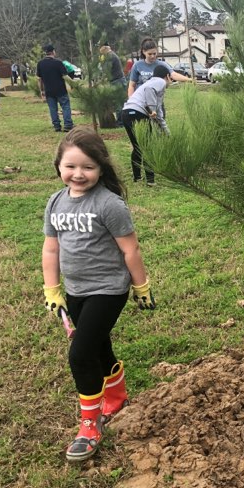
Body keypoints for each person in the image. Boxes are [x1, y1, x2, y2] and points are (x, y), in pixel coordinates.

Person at [41, 127, 156, 462]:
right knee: (99, 344)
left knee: (80, 354)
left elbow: (130, 248)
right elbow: (51, 250)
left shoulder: (109, 204)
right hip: (75, 290)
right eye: (71, 166)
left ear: (101, 169)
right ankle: (116, 397)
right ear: (59, 166)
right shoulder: (55, 202)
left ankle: (89, 424)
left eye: (88, 167)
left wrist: (140, 285)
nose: (79, 174)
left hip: (108, 289)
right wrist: (52, 288)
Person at [121, 65, 172, 186]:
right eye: (171, 78)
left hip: (126, 113)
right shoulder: (159, 82)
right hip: (138, 113)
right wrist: (151, 109)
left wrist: (166, 133)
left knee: (138, 146)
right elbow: (149, 91)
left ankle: (137, 177)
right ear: (167, 76)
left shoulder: (155, 87)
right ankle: (150, 180)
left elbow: (159, 117)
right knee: (147, 147)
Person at [36, 44, 75, 132]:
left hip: (48, 90)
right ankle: (68, 125)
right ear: (53, 52)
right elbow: (65, 76)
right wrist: (73, 84)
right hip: (60, 90)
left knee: (53, 109)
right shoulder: (58, 63)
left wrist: (41, 90)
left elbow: (39, 79)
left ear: (46, 53)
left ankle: (57, 126)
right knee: (65, 106)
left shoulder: (40, 64)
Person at [99, 41, 127, 126]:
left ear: (104, 48)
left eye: (100, 48)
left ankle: (121, 122)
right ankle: (121, 121)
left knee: (119, 103)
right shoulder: (110, 56)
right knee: (119, 103)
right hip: (117, 81)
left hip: (117, 82)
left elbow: (106, 71)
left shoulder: (110, 56)